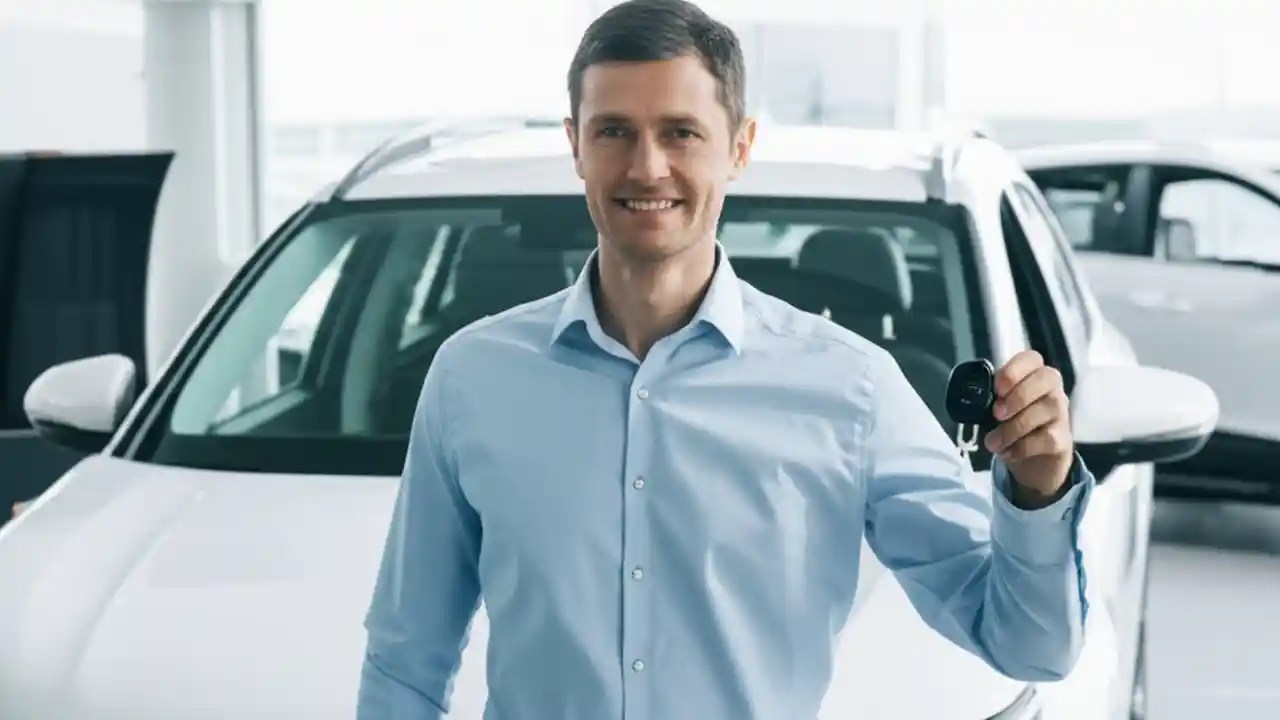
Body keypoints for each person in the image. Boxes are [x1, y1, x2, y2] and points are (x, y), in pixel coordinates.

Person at [356, 1, 1095, 718]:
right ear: (575, 143)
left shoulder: (852, 391)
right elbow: (405, 660)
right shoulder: (471, 380)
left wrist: (1037, 492)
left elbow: (1030, 645)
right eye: (614, 130)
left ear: (739, 147)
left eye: (681, 132)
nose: (647, 167)